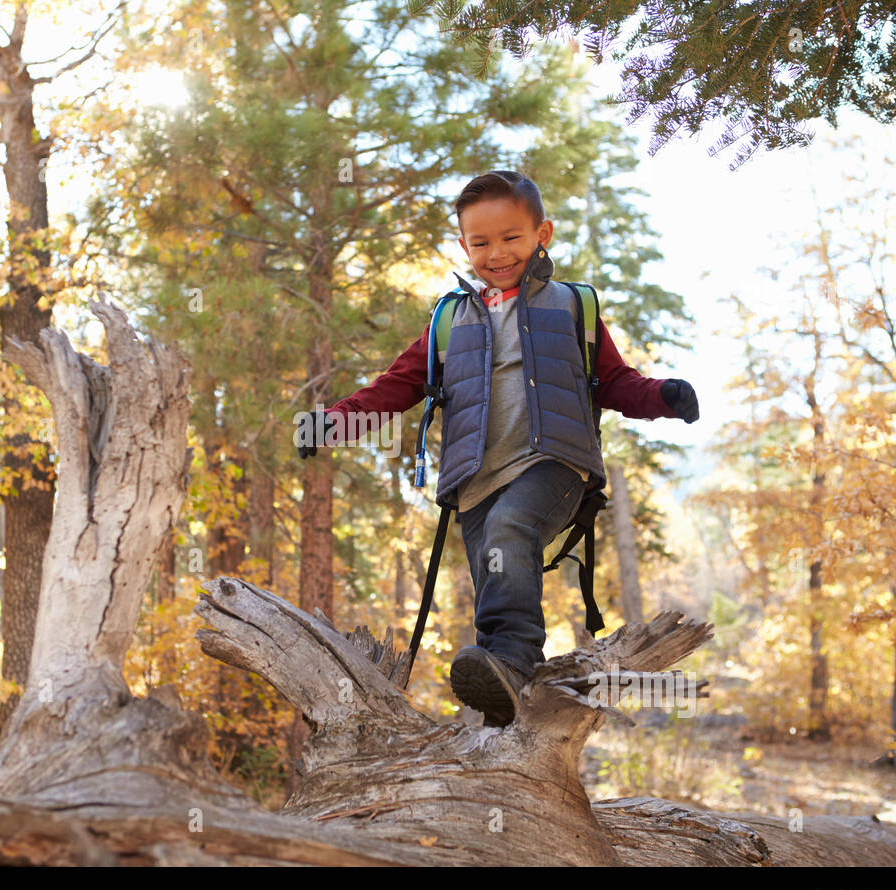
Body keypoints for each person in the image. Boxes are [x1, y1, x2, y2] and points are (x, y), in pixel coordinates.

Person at [296, 170, 699, 726]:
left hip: (554, 462)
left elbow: (615, 382)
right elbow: (394, 388)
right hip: (475, 477)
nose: (497, 252)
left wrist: (664, 397)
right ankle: (502, 699)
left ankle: (514, 659)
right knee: (493, 574)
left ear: (542, 234)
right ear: (464, 245)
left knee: (512, 530)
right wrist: (331, 424)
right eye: (480, 242)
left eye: (511, 237)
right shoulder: (447, 320)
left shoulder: (571, 307)